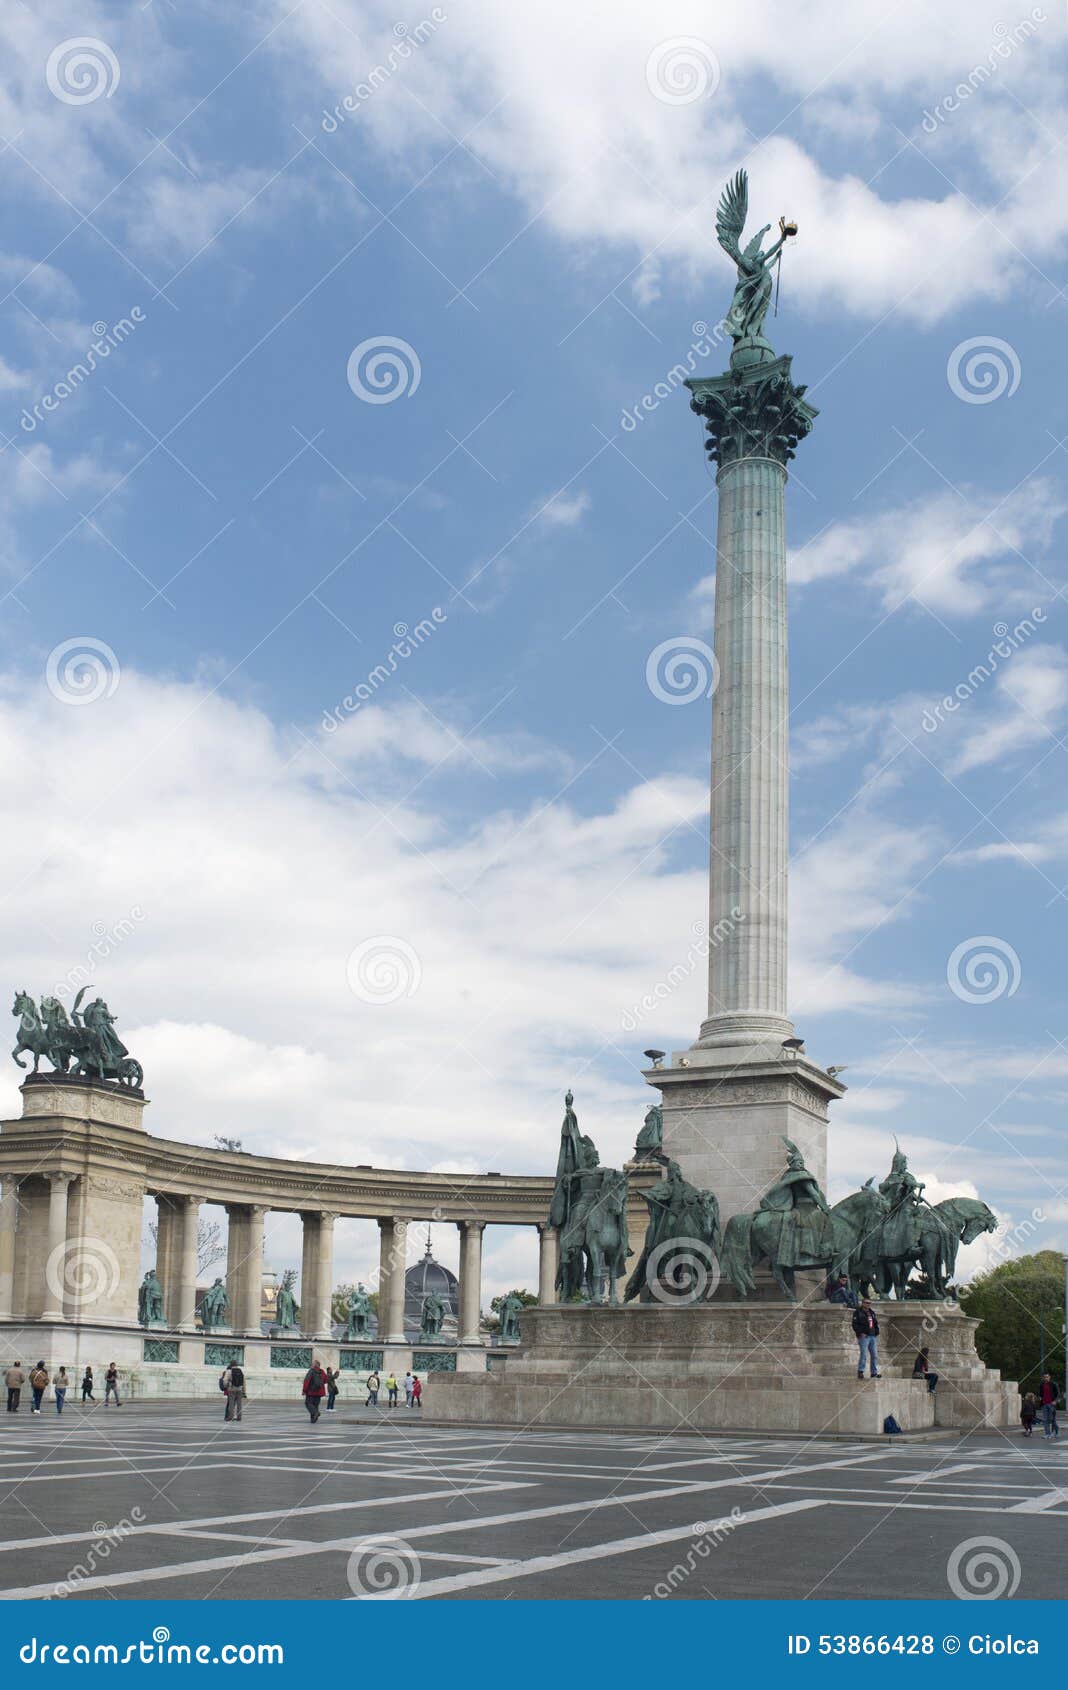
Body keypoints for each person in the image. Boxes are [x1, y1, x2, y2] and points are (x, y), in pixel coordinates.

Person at [851, 1299, 881, 1379]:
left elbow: (875, 1323)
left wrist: (877, 1331)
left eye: (870, 1303)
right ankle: (861, 1371)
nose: (868, 1304)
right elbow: (854, 1324)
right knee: (864, 1354)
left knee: (874, 1355)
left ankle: (874, 1373)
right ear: (863, 1303)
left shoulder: (871, 1312)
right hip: (864, 1336)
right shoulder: (858, 1312)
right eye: (867, 1303)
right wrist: (860, 1332)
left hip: (872, 1336)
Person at [1038, 1372, 1061, 1439]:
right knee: (1045, 1420)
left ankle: (1057, 1431)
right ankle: (1047, 1434)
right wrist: (1040, 1397)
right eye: (1044, 1377)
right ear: (1043, 1378)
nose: (1046, 1378)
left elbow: (1058, 1394)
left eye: (1047, 1377)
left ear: (1049, 1377)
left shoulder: (1053, 1384)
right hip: (1044, 1404)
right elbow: (1040, 1393)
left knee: (1052, 1419)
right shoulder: (1041, 1384)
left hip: (1051, 1404)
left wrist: (1055, 1401)